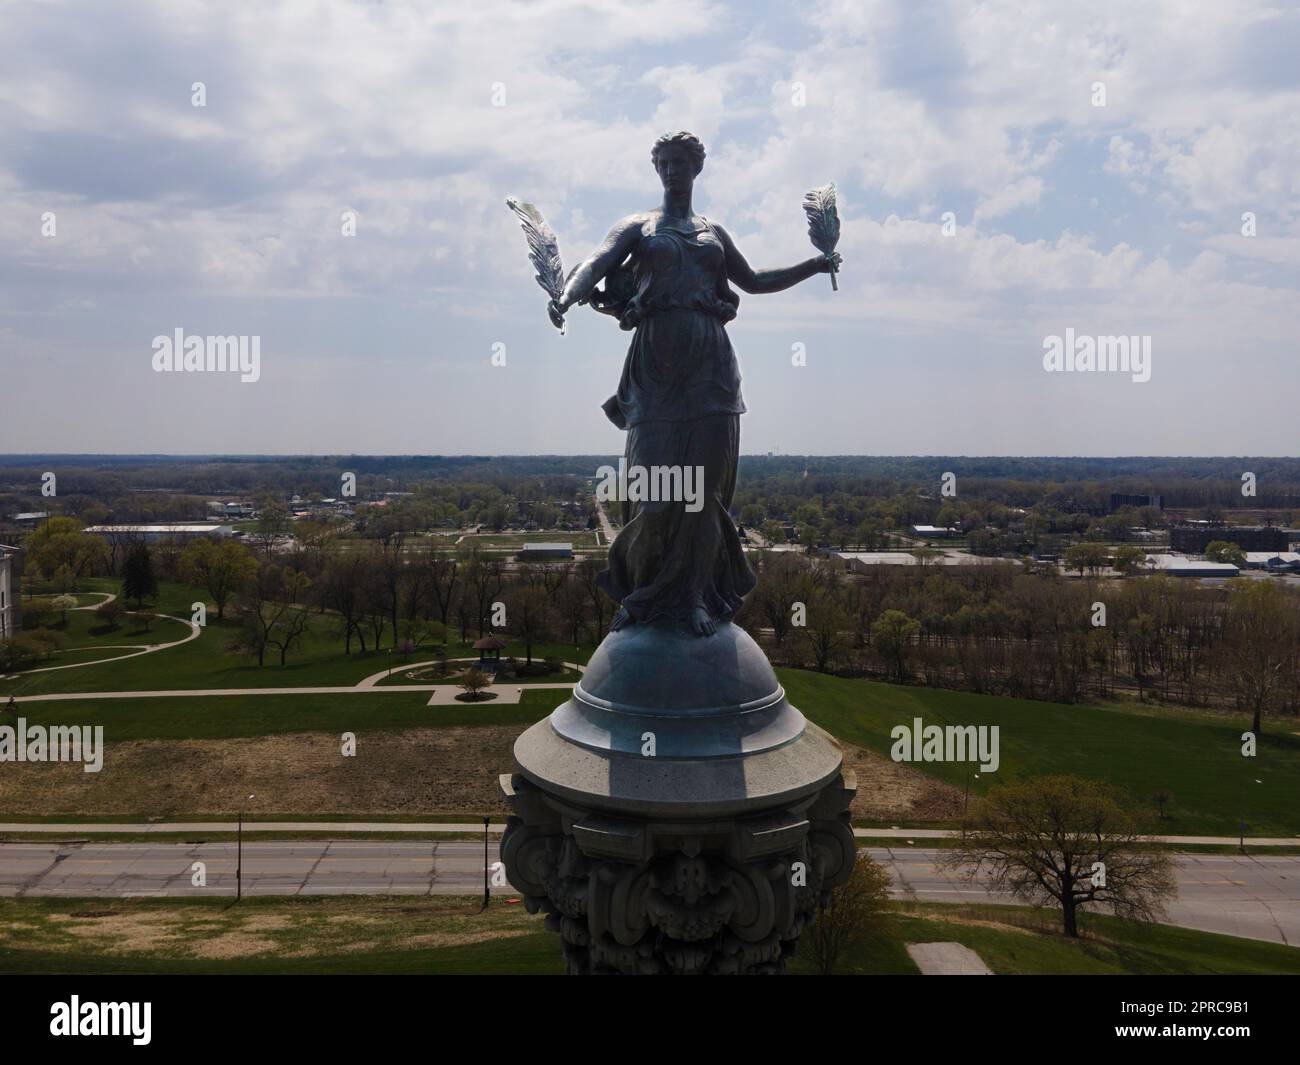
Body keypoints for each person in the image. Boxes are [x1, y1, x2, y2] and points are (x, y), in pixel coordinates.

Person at [550, 131, 840, 636]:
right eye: (663, 162)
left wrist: (814, 265)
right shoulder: (638, 227)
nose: (671, 170)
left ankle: (695, 596)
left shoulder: (713, 232)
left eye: (680, 162)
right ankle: (643, 593)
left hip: (712, 370)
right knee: (653, 488)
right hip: (656, 368)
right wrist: (567, 296)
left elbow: (754, 281)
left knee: (704, 494)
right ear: (655, 168)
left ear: (696, 168)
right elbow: (595, 263)